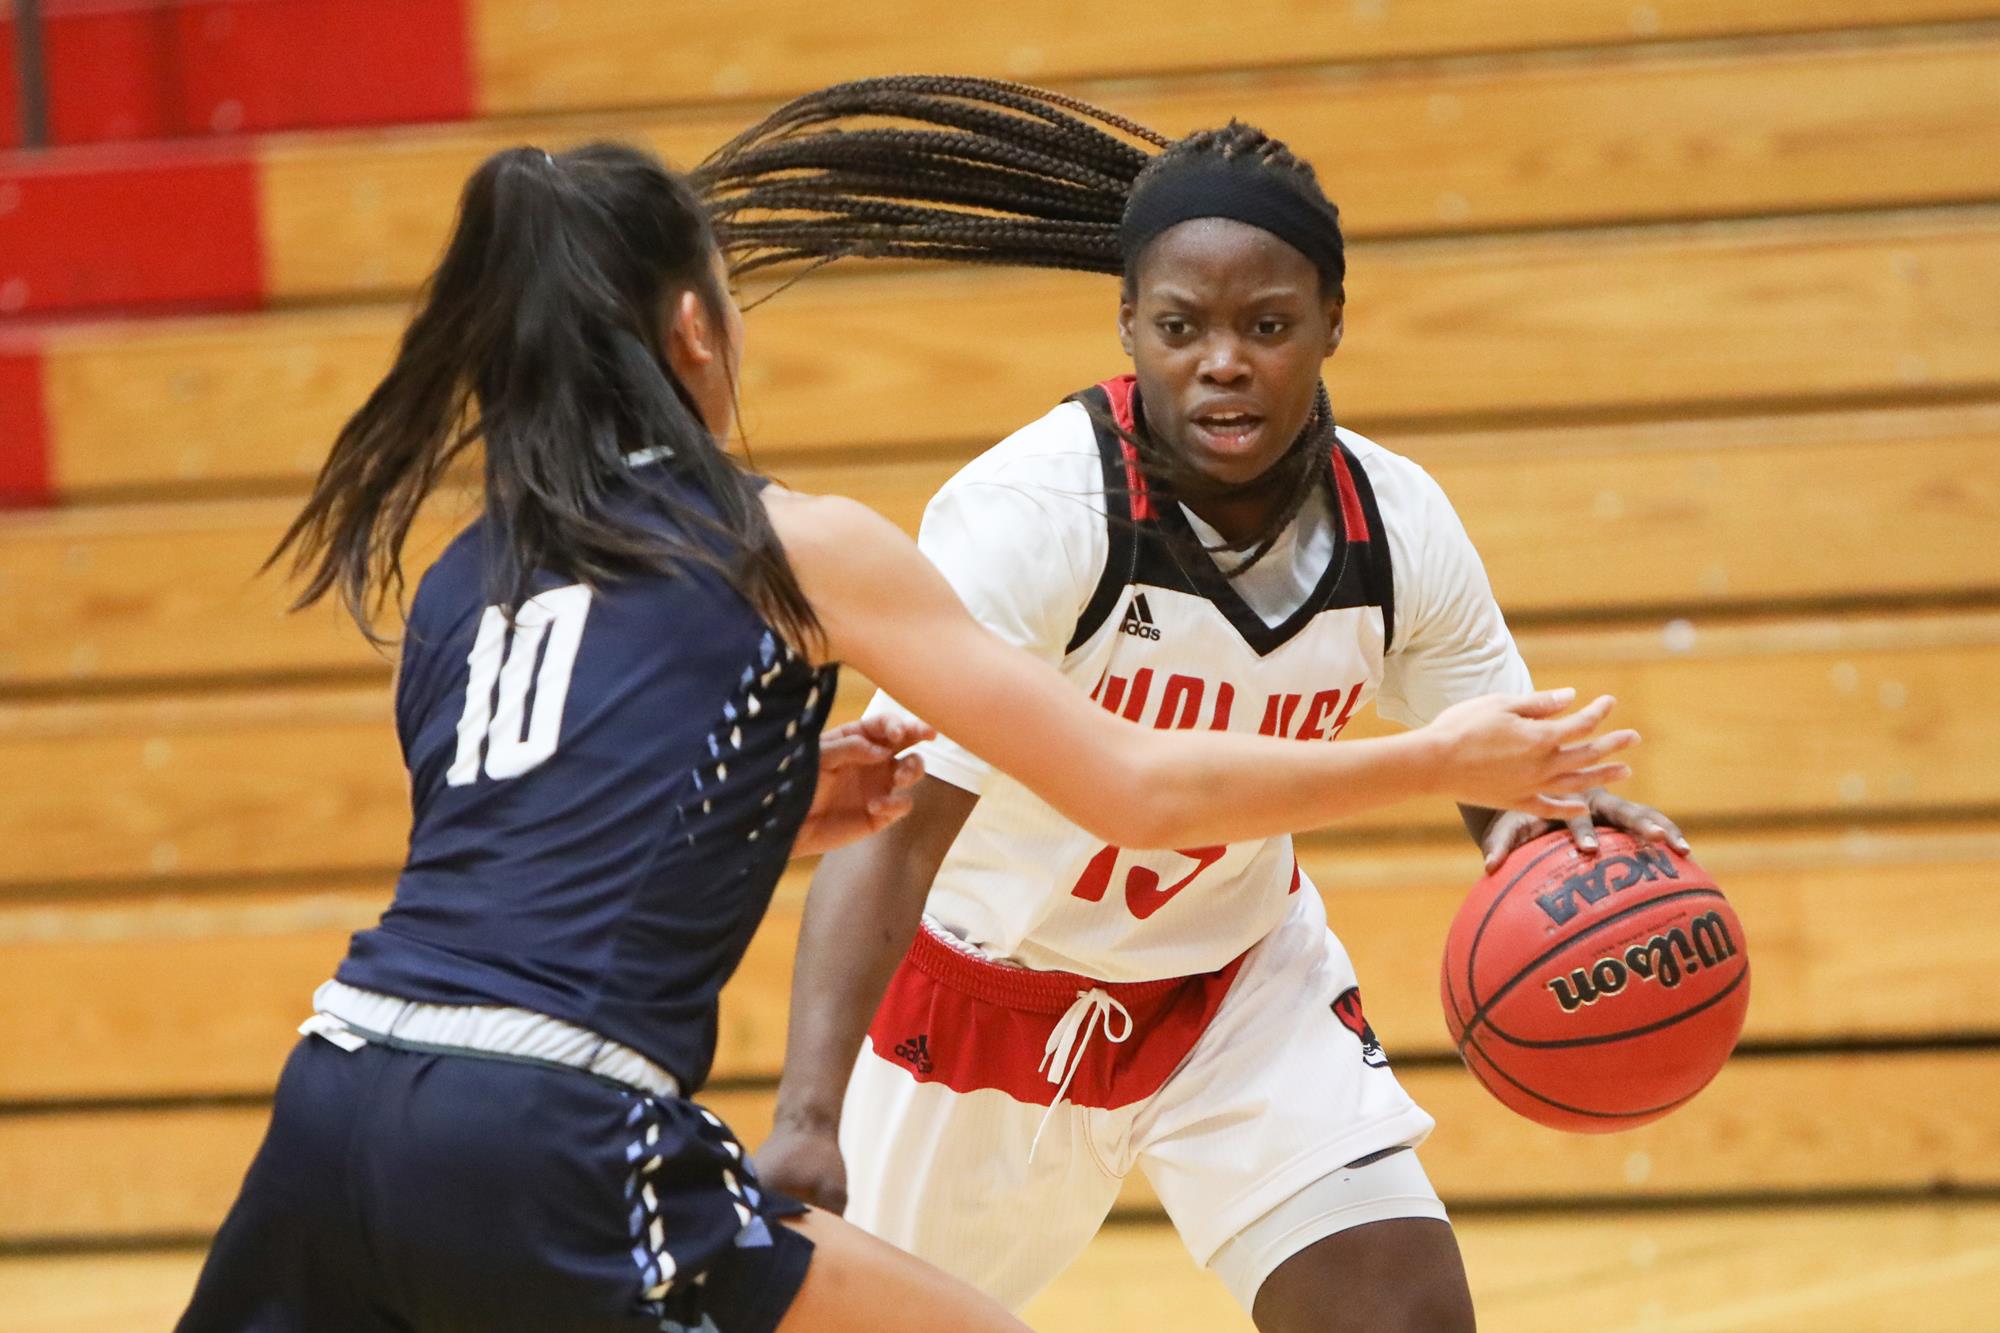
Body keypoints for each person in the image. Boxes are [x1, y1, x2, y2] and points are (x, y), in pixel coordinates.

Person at [174, 141, 1634, 1333]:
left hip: (341, 1079)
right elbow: (1131, 785)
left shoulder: (464, 571)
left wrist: (760, 794)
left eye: (1264, 325)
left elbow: (520, 844)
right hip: (652, 1096)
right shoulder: (809, 539)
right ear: (696, 333)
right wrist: (1438, 764)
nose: (1226, 362)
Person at [700, 77, 1692, 1331]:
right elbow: (900, 831)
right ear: (1128, 329)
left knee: (1399, 1315)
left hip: (1233, 983)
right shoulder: (1033, 515)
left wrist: (1591, 861)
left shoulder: (1395, 527)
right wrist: (804, 1115)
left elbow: (1502, 782)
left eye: (1267, 324)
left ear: (1332, 322)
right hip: (979, 1002)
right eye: (1181, 327)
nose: (1222, 361)